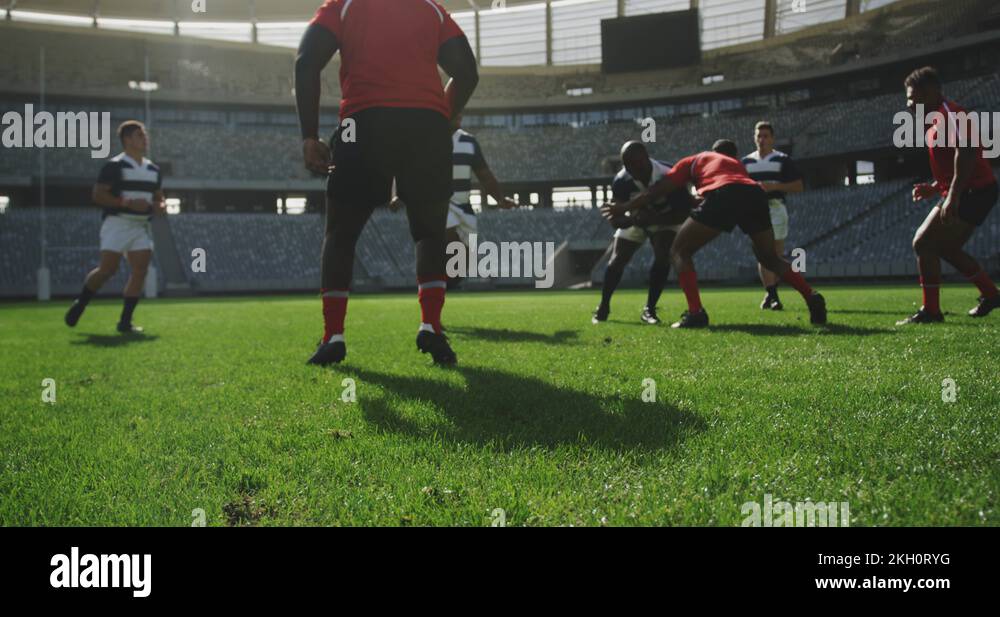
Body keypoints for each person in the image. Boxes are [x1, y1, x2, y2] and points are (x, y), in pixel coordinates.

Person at [295, 0, 479, 365]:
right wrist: (440, 117)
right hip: (425, 126)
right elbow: (468, 72)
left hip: (362, 123)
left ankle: (333, 335)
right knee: (429, 233)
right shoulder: (430, 9)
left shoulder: (345, 6)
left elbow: (306, 60)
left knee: (341, 235)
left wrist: (310, 135)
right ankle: (431, 326)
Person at [604, 139, 827, 329]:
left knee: (679, 251)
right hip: (755, 194)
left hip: (724, 194)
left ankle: (695, 313)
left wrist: (623, 208)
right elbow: (731, 187)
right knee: (769, 257)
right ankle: (811, 295)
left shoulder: (691, 162)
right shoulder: (734, 163)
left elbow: (656, 191)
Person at [897, 66, 1000, 325]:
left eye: (912, 97)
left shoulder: (952, 114)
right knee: (946, 248)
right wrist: (934, 187)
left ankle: (932, 311)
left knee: (923, 243)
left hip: (974, 191)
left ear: (931, 92)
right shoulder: (934, 120)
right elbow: (951, 164)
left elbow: (965, 152)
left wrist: (952, 195)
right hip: (968, 189)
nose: (909, 104)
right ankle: (991, 294)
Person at [390, 112, 517, 289]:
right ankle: (432, 288)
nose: (459, 116)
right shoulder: (424, 139)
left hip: (464, 209)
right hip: (438, 204)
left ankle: (439, 286)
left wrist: (500, 199)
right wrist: (397, 194)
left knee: (462, 266)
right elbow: (403, 167)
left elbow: (485, 175)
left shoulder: (469, 142)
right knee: (446, 241)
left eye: (461, 112)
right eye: (455, 111)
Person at [64, 121, 164, 334]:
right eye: (140, 135)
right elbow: (98, 195)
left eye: (145, 134)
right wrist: (126, 203)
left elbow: (159, 197)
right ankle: (81, 303)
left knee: (140, 270)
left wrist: (159, 206)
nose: (145, 138)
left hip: (140, 226)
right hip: (117, 223)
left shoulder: (153, 169)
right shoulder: (114, 166)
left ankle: (125, 322)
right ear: (127, 139)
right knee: (108, 270)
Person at [593, 141, 693, 325]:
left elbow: (682, 215)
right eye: (628, 165)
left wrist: (652, 219)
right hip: (637, 219)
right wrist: (633, 220)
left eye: (636, 164)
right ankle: (603, 305)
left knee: (663, 256)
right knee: (617, 259)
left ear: (647, 158)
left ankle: (649, 308)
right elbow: (616, 221)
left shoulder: (668, 173)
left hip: (666, 219)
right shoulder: (622, 180)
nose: (633, 169)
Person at [742, 121, 804, 311]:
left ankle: (771, 294)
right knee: (763, 255)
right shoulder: (745, 162)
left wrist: (774, 186)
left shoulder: (782, 159)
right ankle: (773, 295)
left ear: (773, 138)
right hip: (755, 209)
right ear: (754, 138)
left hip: (776, 208)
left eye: (766, 136)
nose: (762, 140)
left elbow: (798, 186)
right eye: (759, 136)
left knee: (776, 255)